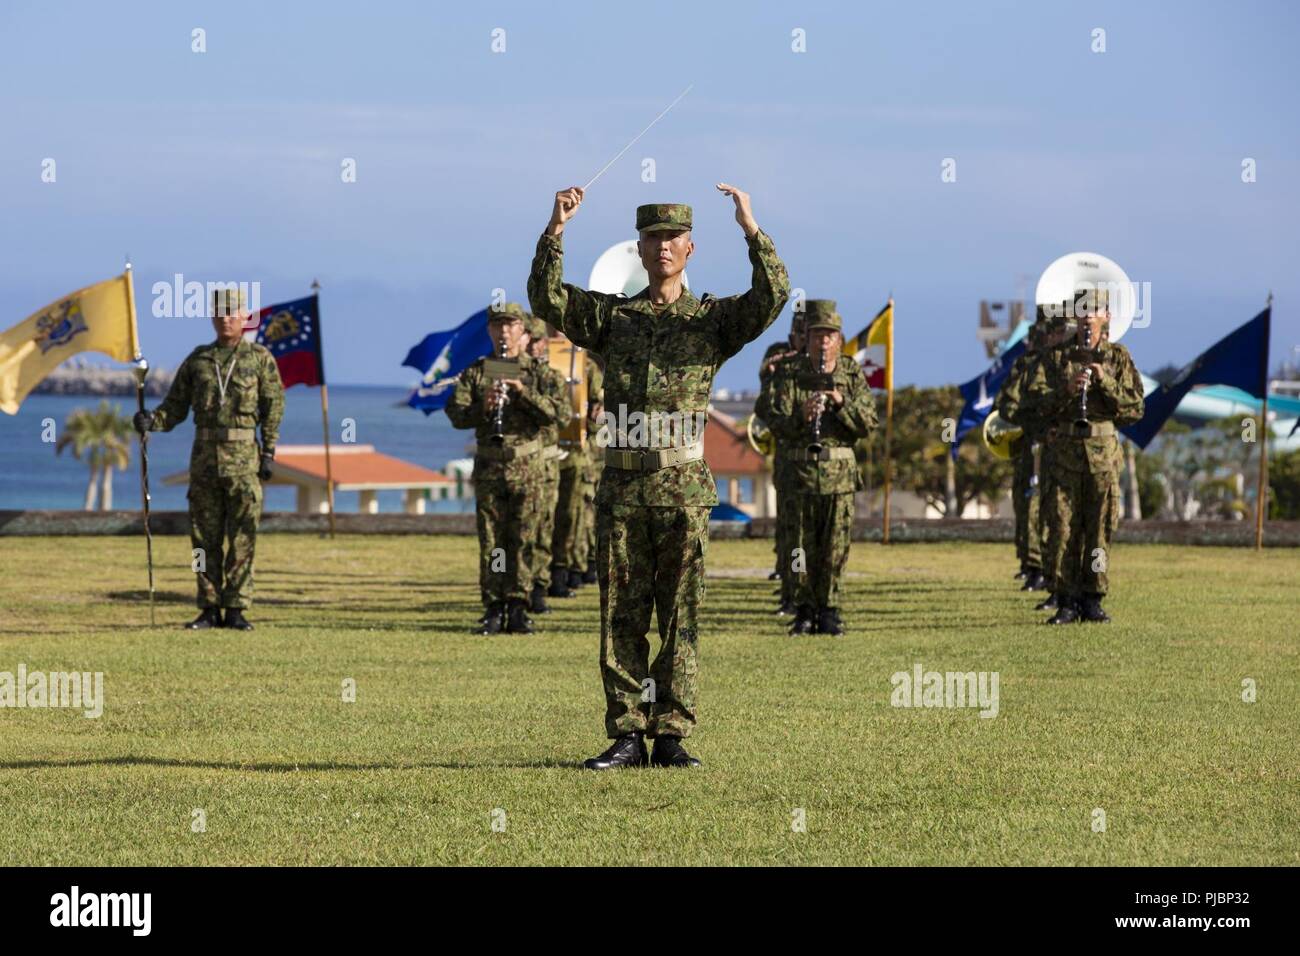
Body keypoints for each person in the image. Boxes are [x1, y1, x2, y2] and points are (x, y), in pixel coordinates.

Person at [528, 184, 789, 769]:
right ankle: (626, 732)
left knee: (679, 613)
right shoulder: (613, 319)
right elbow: (545, 297)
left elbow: (772, 296)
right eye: (653, 238)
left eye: (673, 238)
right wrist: (556, 228)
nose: (663, 247)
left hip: (683, 490)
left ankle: (671, 733)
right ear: (640, 250)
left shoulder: (712, 321)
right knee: (621, 612)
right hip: (622, 486)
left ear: (690, 248)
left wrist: (751, 227)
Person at [132, 288, 284, 631]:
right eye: (220, 313)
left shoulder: (259, 359)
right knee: (203, 538)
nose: (226, 318)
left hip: (244, 460)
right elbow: (175, 408)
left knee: (243, 535)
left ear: (245, 316)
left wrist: (270, 451)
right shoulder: (199, 360)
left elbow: (273, 407)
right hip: (204, 461)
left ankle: (236, 608)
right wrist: (150, 421)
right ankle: (209, 607)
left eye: (233, 312)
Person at [445, 302, 569, 635]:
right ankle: (494, 606)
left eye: (511, 325)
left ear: (524, 332)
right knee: (493, 542)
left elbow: (561, 416)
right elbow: (456, 413)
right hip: (490, 467)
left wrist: (522, 392)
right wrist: (481, 408)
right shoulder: (477, 371)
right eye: (497, 326)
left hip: (528, 469)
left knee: (524, 539)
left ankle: (518, 605)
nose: (504, 332)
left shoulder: (543, 375)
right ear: (489, 331)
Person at [1024, 291, 1144, 624]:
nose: (1087, 317)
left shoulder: (1118, 358)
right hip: (1064, 456)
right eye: (1082, 311)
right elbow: (1031, 404)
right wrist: (1066, 391)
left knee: (1099, 530)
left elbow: (1135, 409)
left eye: (1094, 311)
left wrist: (1104, 382)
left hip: (1103, 458)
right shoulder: (1057, 357)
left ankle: (1093, 597)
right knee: (1062, 527)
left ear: (1107, 315)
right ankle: (1066, 599)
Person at [761, 301, 877, 635]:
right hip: (798, 477)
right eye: (817, 335)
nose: (823, 342)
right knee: (798, 548)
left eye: (830, 335)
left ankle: (829, 609)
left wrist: (841, 405)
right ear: (806, 338)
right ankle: (803, 609)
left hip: (839, 479)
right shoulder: (788, 372)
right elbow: (771, 419)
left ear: (839, 339)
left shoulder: (851, 373)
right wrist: (801, 415)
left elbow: (868, 423)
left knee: (834, 548)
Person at [755, 311, 808, 614]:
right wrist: (773, 371)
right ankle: (789, 587)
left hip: (812, 460)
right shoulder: (778, 355)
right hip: (787, 455)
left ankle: (807, 593)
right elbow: (766, 400)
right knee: (789, 525)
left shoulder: (819, 362)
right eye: (801, 335)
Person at [521, 314, 571, 615]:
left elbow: (563, 417)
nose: (534, 345)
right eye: (531, 339)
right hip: (515, 463)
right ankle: (513, 591)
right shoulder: (503, 370)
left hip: (546, 461)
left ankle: (539, 586)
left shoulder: (551, 376)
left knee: (544, 526)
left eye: (538, 340)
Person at [996, 323, 1046, 592]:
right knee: (1027, 504)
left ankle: (1045, 569)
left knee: (1046, 511)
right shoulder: (1025, 367)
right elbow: (1006, 403)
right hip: (1030, 446)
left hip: (1057, 445)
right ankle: (1032, 564)